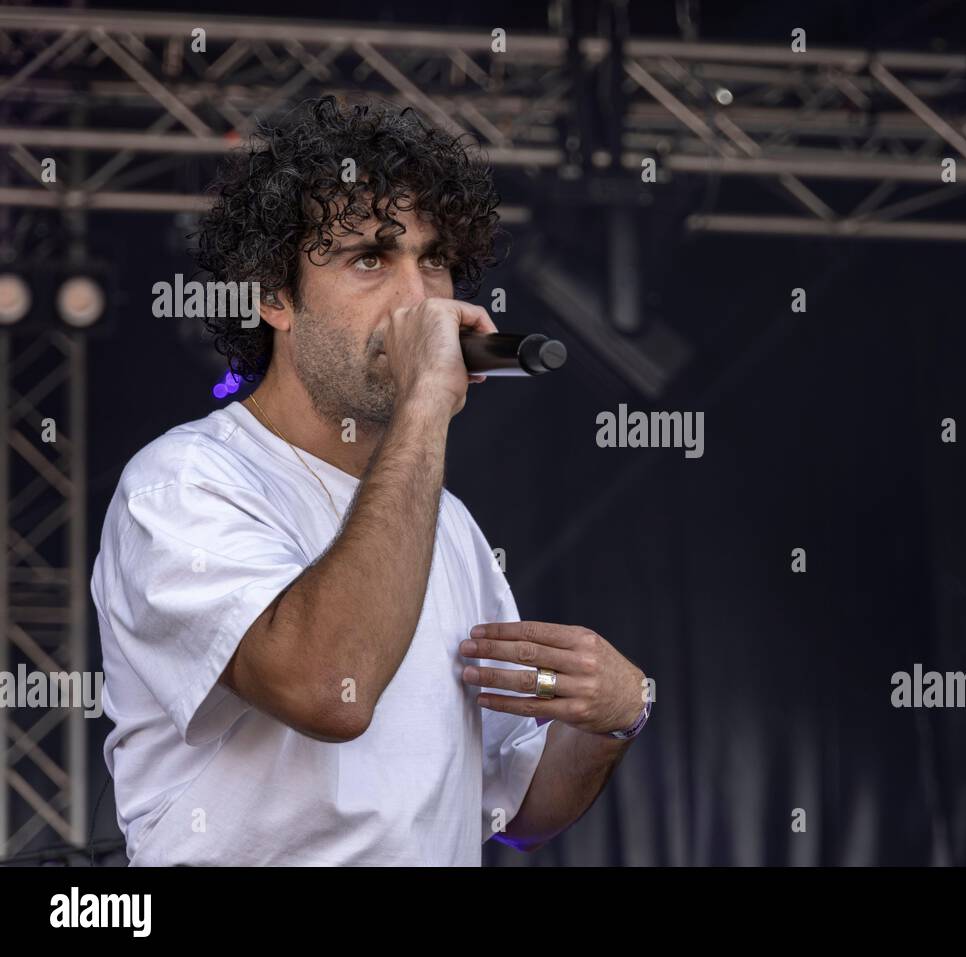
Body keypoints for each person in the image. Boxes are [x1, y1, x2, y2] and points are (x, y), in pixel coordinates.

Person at [90, 95, 651, 866]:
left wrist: (617, 715)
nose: (418, 299)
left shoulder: (444, 523)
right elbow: (328, 688)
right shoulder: (184, 484)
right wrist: (426, 401)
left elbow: (513, 809)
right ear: (273, 295)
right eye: (370, 259)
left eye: (433, 260)